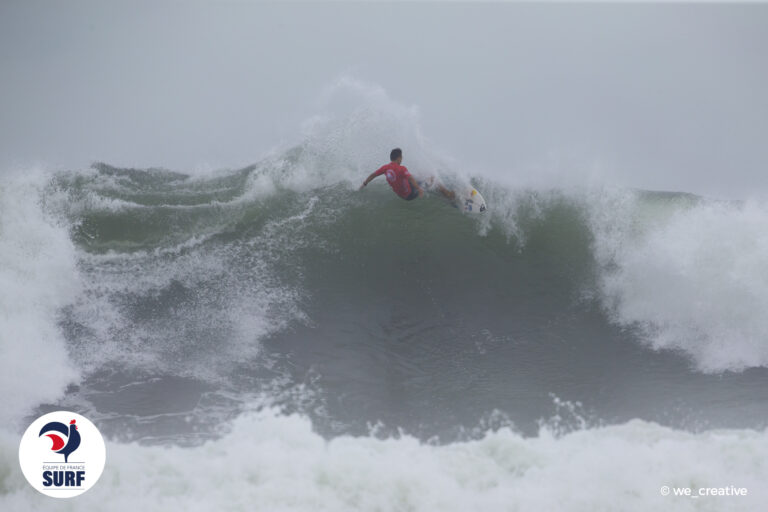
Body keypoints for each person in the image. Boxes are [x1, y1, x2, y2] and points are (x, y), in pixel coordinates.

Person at [359, 148, 455, 201]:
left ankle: (433, 189)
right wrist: (418, 189)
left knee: (420, 175)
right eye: (401, 157)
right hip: (410, 194)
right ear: (399, 158)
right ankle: (448, 195)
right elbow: (410, 178)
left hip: (401, 195)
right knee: (432, 179)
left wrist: (364, 184)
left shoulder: (385, 168)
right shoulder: (402, 168)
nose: (402, 159)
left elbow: (373, 175)